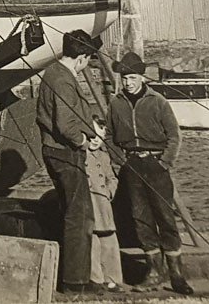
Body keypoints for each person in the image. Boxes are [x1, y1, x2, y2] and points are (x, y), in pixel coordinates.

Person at [106, 51, 194, 295]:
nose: (128, 82)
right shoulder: (116, 103)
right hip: (131, 167)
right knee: (140, 218)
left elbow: (174, 136)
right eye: (124, 78)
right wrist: (120, 161)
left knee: (165, 217)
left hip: (156, 166)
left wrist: (165, 162)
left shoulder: (158, 102)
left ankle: (176, 275)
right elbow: (109, 137)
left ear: (141, 78)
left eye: (132, 78)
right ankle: (154, 271)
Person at [35, 29, 105, 295]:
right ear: (81, 58)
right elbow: (66, 124)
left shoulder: (53, 73)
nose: (86, 64)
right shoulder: (63, 79)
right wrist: (84, 141)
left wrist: (89, 131)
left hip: (55, 152)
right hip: (65, 154)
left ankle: (70, 276)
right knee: (81, 217)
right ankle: (75, 283)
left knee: (73, 213)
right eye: (87, 60)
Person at [86, 117, 125, 293]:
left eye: (99, 136)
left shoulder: (104, 156)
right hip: (89, 200)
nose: (94, 140)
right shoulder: (81, 155)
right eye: (91, 135)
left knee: (109, 240)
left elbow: (112, 178)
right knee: (92, 241)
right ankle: (96, 278)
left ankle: (113, 279)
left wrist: (110, 191)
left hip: (104, 202)